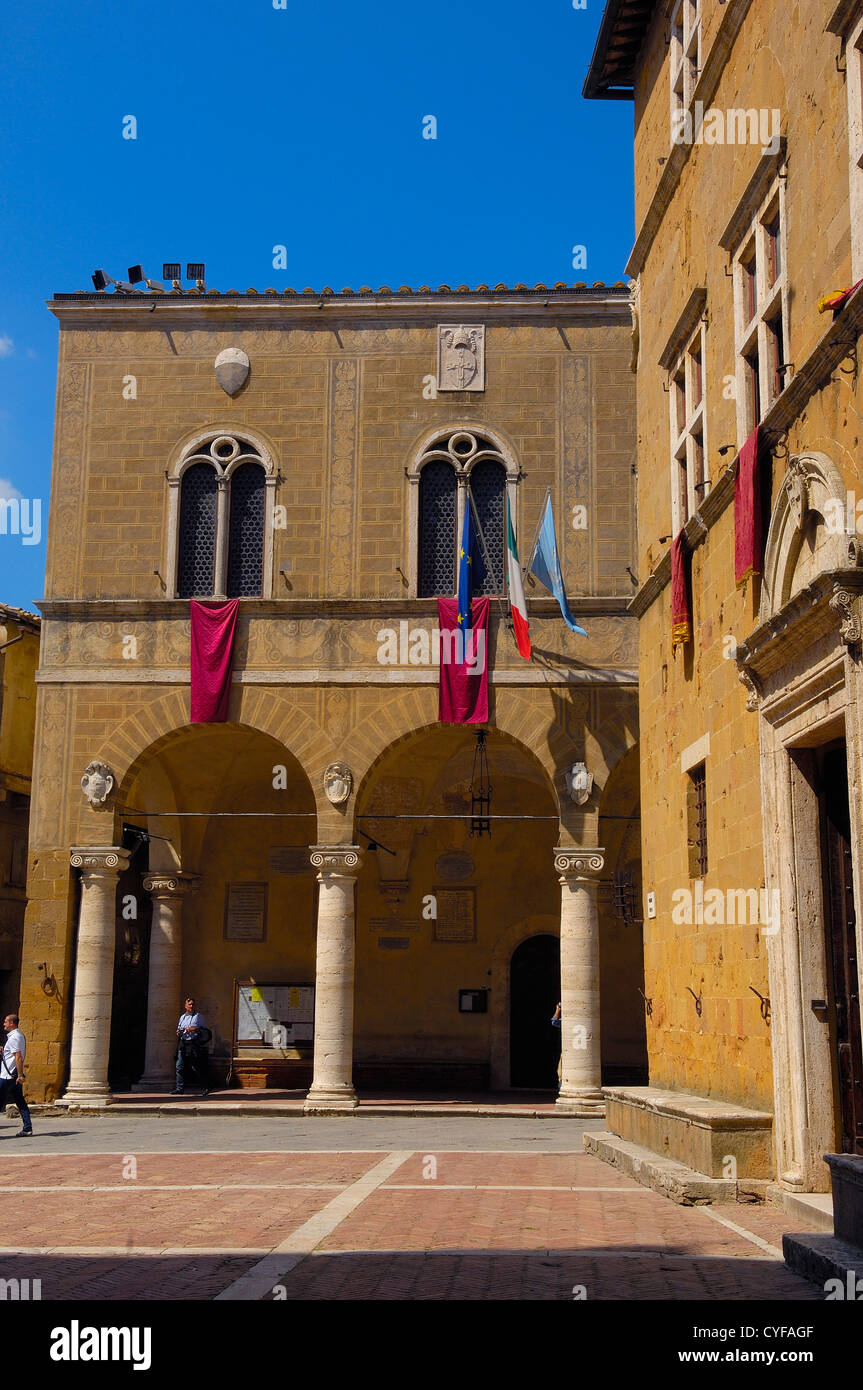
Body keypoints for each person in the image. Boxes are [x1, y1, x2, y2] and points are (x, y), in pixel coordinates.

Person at [1, 1013, 33, 1136]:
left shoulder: (15, 1037)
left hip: (8, 1076)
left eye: (5, 1021)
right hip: (14, 1075)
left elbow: (18, 1057)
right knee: (20, 1101)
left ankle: (27, 1128)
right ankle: (27, 1128)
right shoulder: (17, 1036)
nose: (4, 1024)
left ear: (11, 1023)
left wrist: (20, 1076)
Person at [173, 996, 210, 1096]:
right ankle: (179, 1088)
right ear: (185, 1006)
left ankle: (206, 1087)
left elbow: (204, 1031)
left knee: (195, 1066)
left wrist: (193, 1029)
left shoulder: (198, 1016)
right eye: (189, 1004)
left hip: (193, 1043)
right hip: (183, 1043)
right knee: (179, 1066)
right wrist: (178, 1032)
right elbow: (179, 1029)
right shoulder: (182, 1017)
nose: (191, 1006)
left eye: (193, 1004)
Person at [551, 1001, 562, 1090]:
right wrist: (558, 1010)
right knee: (561, 1072)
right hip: (566, 1051)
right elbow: (554, 1022)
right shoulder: (565, 1020)